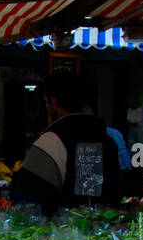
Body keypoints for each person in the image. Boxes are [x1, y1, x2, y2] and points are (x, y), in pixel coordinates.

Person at [11, 73, 122, 214]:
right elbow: (115, 192)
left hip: (58, 234)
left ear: (54, 102)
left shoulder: (50, 141)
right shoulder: (108, 140)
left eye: (46, 102)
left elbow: (29, 203)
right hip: (106, 232)